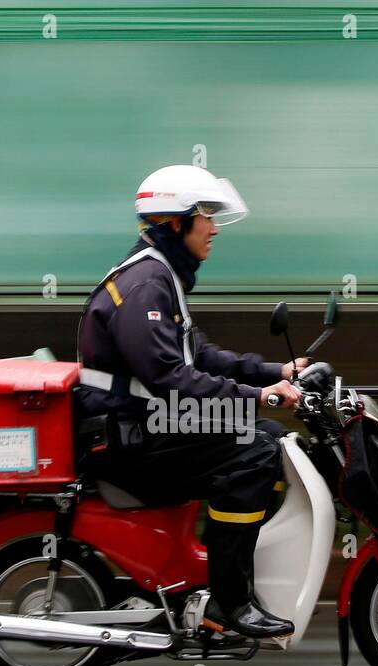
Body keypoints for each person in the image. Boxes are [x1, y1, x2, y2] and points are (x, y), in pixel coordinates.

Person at [74, 165, 305, 638]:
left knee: (274, 440)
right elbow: (169, 378)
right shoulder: (146, 286)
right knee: (256, 452)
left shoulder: (159, 277)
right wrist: (258, 396)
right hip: (133, 439)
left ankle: (221, 561)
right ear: (175, 223)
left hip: (149, 425)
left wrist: (278, 372)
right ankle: (229, 598)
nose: (216, 228)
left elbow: (198, 355)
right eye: (207, 216)